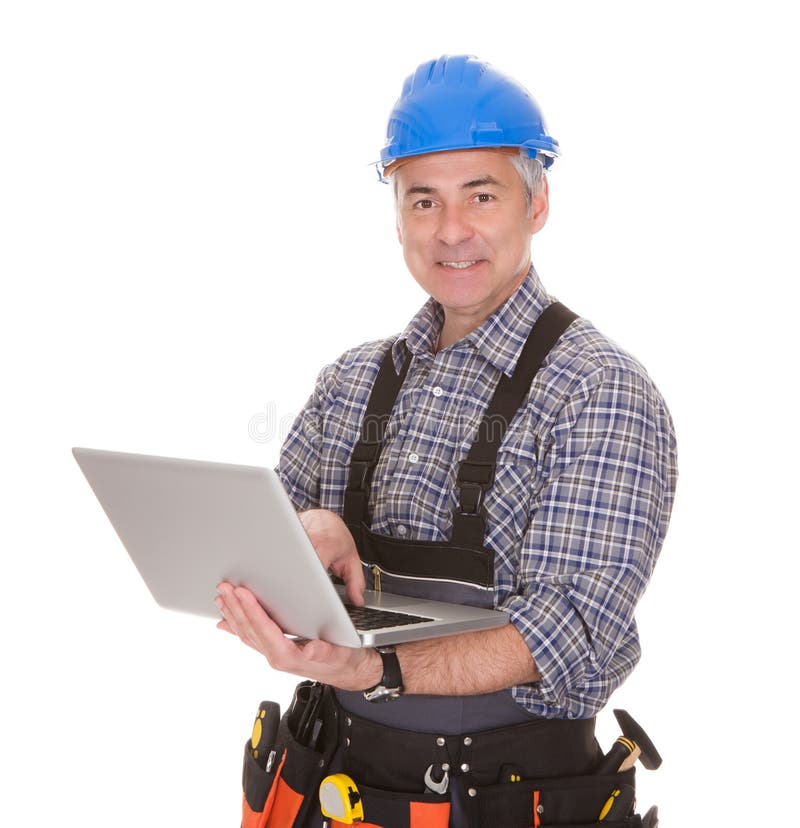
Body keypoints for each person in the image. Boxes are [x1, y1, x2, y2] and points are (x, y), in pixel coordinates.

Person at [216, 54, 677, 828]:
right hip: (335, 783)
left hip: (502, 794)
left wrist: (375, 668)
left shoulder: (598, 391)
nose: (452, 231)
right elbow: (256, 565)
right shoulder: (351, 383)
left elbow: (569, 630)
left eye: (481, 196)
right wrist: (309, 540)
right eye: (423, 201)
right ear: (397, 216)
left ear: (537, 205)